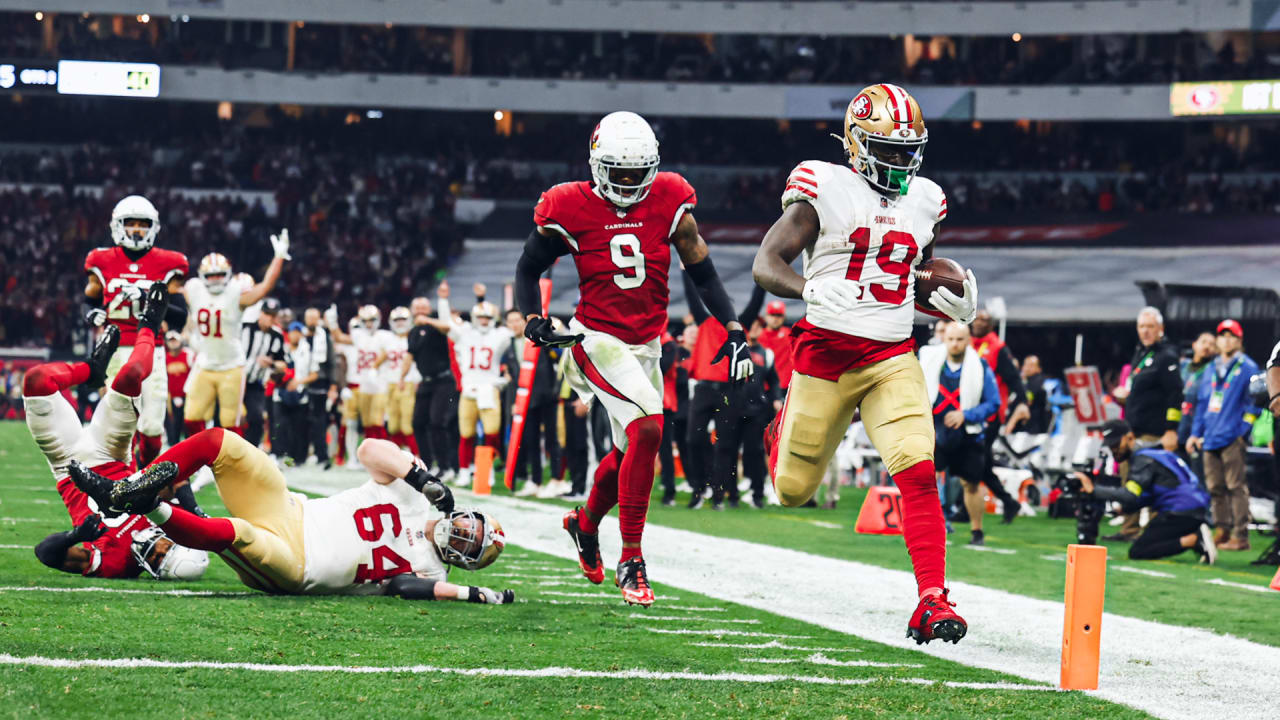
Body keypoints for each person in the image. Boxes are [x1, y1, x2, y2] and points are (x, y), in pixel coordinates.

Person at [752, 83, 975, 645]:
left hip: (890, 357)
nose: (900, 161)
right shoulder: (824, 187)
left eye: (909, 149)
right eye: (888, 148)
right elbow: (765, 263)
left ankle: (932, 597)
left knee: (918, 468)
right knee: (793, 491)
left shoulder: (926, 200)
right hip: (824, 357)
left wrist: (949, 303)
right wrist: (807, 290)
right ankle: (780, 431)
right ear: (855, 142)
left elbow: (907, 280)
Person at [515, 110, 753, 607]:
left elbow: (703, 271)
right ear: (597, 165)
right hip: (593, 338)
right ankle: (632, 559)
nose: (627, 182)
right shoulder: (567, 204)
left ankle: (583, 523)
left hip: (646, 343)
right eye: (618, 172)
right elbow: (528, 265)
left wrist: (732, 326)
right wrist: (530, 316)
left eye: (636, 173)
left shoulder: (670, 197)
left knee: (631, 453)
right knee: (649, 427)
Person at [70, 429, 513, 603]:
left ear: (465, 559)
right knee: (220, 443)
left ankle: (147, 504)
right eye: (473, 526)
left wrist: (469, 593)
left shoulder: (432, 567)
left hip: (298, 567)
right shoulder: (414, 494)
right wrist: (421, 478)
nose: (464, 533)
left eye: (472, 544)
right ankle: (131, 488)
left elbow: (403, 586)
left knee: (237, 533)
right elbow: (368, 449)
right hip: (292, 509)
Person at [25, 284, 209, 581]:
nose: (155, 551)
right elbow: (175, 478)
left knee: (36, 381)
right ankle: (147, 328)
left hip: (67, 468)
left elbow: (44, 553)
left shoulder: (115, 564)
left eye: (158, 561)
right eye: (165, 550)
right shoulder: (168, 522)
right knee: (131, 375)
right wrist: (196, 515)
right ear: (175, 542)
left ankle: (92, 366)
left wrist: (76, 535)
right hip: (110, 452)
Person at [83, 194, 190, 467]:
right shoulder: (102, 260)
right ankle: (123, 478)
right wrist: (92, 313)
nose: (137, 230)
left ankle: (147, 474)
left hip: (150, 349)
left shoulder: (168, 262)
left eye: (143, 224)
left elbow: (180, 315)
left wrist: (149, 295)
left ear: (153, 227)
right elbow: (91, 299)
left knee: (153, 426)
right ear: (118, 226)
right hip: (114, 348)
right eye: (131, 224)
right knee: (120, 423)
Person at [182, 237, 288, 438]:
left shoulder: (235, 294)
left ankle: (230, 464)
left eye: (220, 275)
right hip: (204, 363)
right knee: (191, 417)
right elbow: (171, 285)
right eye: (211, 275)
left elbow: (265, 287)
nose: (215, 279)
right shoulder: (193, 289)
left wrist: (279, 258)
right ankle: (202, 459)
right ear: (203, 275)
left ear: (228, 275)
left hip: (231, 365)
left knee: (230, 422)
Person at [1076, 420, 1216, 564]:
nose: (1114, 450)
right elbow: (1152, 494)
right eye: (1111, 446)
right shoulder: (1154, 452)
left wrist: (1093, 489)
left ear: (1129, 437)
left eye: (1116, 444)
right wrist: (1123, 509)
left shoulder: (1142, 458)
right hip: (1193, 507)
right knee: (1150, 537)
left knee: (1139, 550)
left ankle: (1194, 539)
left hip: (1181, 511)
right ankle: (1195, 536)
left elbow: (1130, 495)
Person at [682, 276, 765, 509]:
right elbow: (693, 296)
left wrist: (763, 274)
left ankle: (718, 496)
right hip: (704, 389)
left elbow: (756, 300)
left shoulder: (740, 326)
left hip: (730, 391)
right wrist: (686, 270)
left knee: (725, 445)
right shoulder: (705, 321)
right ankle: (699, 489)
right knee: (693, 440)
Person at [1103, 307, 1184, 541]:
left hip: (1154, 432)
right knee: (1129, 482)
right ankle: (1129, 529)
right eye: (1142, 327)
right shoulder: (1141, 353)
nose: (1146, 331)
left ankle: (1157, 533)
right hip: (1133, 430)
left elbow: (1174, 395)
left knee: (1153, 483)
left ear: (1161, 329)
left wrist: (1171, 430)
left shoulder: (1167, 355)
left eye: (1150, 327)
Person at [920, 323, 1000, 546]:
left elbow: (993, 403)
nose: (955, 344)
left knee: (972, 483)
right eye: (951, 338)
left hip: (968, 433)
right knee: (928, 480)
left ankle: (977, 532)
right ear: (944, 338)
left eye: (960, 339)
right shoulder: (928, 361)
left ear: (969, 341)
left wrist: (966, 415)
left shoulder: (980, 366)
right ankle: (931, 526)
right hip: (934, 430)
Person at [1188, 319, 1260, 551]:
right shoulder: (1210, 368)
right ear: (1218, 340)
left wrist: (1242, 432)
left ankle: (1241, 536)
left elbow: (1255, 403)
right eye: (1223, 335)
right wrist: (1195, 433)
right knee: (1215, 487)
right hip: (1210, 436)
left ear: (1239, 341)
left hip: (1231, 437)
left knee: (1235, 486)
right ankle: (1222, 530)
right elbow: (1201, 404)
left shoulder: (1247, 367)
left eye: (1232, 336)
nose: (1226, 340)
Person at [969, 309, 1028, 524]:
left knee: (976, 459)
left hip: (991, 414)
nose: (979, 322)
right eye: (977, 318)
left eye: (985, 320)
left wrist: (1022, 402)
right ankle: (1008, 501)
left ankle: (963, 507)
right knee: (981, 463)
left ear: (991, 325)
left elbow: (1013, 379)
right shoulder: (966, 344)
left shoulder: (997, 348)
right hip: (971, 414)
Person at [503, 309, 564, 498]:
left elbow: (559, 350)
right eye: (510, 321)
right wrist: (514, 401)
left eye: (517, 320)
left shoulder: (537, 338)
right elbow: (513, 378)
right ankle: (535, 480)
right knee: (531, 440)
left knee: (552, 439)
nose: (514, 324)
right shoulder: (509, 346)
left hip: (546, 395)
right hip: (525, 399)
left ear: (523, 322)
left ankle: (556, 479)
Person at [404, 293, 458, 480]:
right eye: (416, 308)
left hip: (443, 380)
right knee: (418, 422)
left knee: (437, 422)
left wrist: (427, 320)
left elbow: (447, 327)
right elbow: (409, 355)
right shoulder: (413, 332)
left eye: (423, 307)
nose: (419, 311)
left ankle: (446, 466)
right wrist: (401, 377)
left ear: (428, 309)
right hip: (425, 381)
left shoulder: (435, 326)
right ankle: (427, 462)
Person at [240, 299, 286, 448]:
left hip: (255, 384)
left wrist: (271, 363)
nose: (269, 318)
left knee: (257, 420)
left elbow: (282, 365)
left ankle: (247, 453)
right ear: (261, 313)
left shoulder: (277, 336)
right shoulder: (244, 327)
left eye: (273, 315)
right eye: (267, 314)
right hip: (234, 380)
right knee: (227, 418)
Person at [303, 306, 337, 467]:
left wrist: (333, 386)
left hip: (321, 384)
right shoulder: (300, 337)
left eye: (314, 318)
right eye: (309, 317)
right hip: (302, 383)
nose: (311, 321)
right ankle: (302, 454)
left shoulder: (325, 338)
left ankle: (322, 455)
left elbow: (332, 363)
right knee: (303, 420)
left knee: (320, 421)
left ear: (319, 319)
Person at [380, 306, 417, 454]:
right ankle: (397, 458)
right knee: (393, 425)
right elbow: (380, 359)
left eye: (403, 319)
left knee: (407, 424)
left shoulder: (414, 337)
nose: (400, 323)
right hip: (391, 383)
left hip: (409, 383)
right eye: (397, 320)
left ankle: (416, 457)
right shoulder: (388, 339)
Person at [164, 331, 194, 447]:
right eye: (170, 341)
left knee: (189, 428)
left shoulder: (188, 355)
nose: (173, 343)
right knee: (173, 428)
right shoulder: (165, 358)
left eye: (175, 340)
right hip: (172, 398)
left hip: (188, 397)